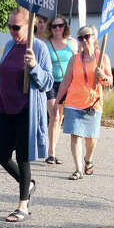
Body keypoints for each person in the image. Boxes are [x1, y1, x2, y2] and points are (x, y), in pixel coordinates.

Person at [0, 7, 53, 223]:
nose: (12, 30)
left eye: (16, 27)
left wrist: (35, 66)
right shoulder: (9, 45)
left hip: (26, 112)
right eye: (10, 26)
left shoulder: (39, 48)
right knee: (1, 156)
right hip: (4, 109)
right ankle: (27, 184)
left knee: (22, 157)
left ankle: (23, 207)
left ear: (29, 26)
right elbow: (0, 82)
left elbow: (47, 82)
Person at [55, 25, 112, 179]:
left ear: (94, 38)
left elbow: (109, 81)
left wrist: (103, 76)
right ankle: (78, 169)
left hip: (93, 104)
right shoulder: (75, 59)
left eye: (86, 36)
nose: (83, 40)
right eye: (80, 37)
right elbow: (66, 81)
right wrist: (58, 101)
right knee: (75, 136)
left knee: (91, 139)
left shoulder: (103, 58)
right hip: (74, 102)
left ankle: (88, 159)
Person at [43, 15, 75, 164]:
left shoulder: (72, 43)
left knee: (60, 118)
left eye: (60, 25)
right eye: (54, 26)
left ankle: (53, 149)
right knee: (54, 115)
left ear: (65, 27)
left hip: (66, 83)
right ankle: (51, 151)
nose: (57, 29)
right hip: (51, 83)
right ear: (50, 28)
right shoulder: (46, 44)